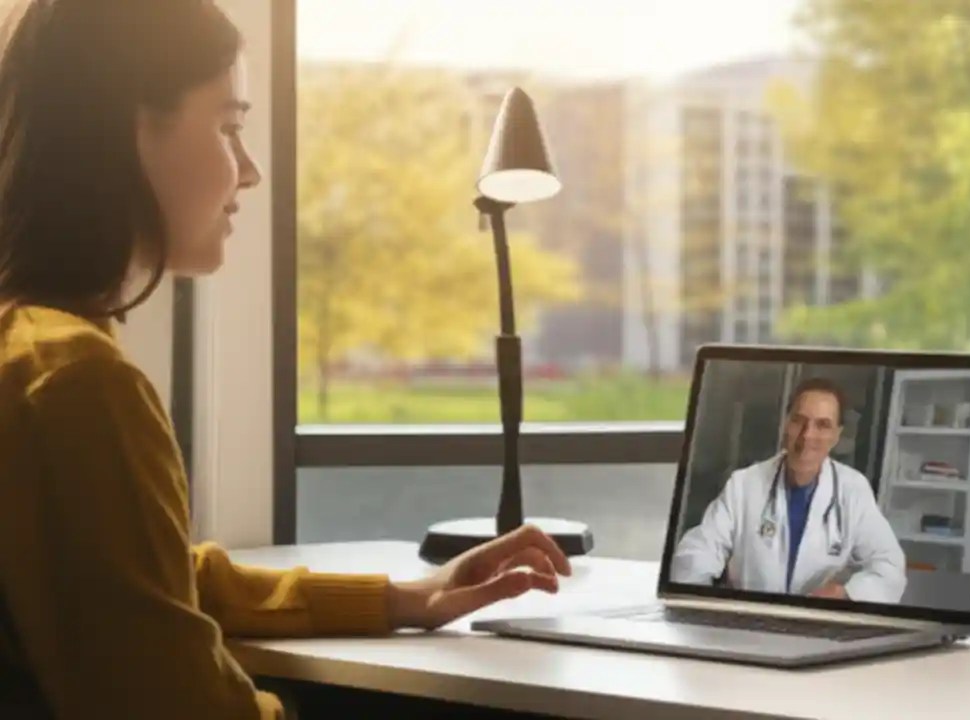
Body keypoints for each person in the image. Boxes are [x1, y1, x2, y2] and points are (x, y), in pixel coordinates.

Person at [0, 1, 570, 718]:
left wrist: (404, 596)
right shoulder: (78, 383)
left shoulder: (28, 350)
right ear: (128, 129)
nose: (251, 171)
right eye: (228, 128)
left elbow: (149, 577)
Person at [671, 378, 907, 602]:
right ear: (786, 422)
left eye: (822, 425)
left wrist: (844, 593)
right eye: (798, 421)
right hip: (747, 621)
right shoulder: (744, 484)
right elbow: (697, 551)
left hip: (818, 625)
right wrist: (703, 600)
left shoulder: (853, 489)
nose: (807, 436)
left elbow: (889, 566)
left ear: (837, 435)